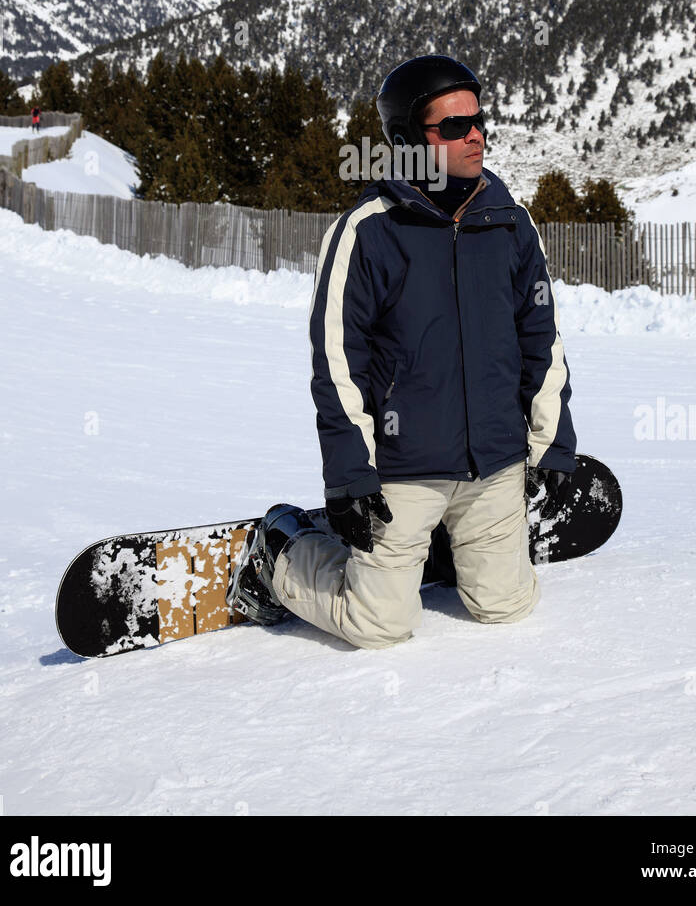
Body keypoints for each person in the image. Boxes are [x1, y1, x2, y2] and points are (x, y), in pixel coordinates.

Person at [228, 54, 578, 649]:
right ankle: (278, 554)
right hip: (403, 468)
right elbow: (337, 363)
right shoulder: (367, 231)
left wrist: (550, 443)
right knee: (381, 625)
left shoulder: (511, 225)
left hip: (492, 461)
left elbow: (541, 344)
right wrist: (349, 476)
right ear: (408, 141)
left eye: (479, 121)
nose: (475, 136)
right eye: (453, 126)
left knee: (507, 606)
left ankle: (436, 547)